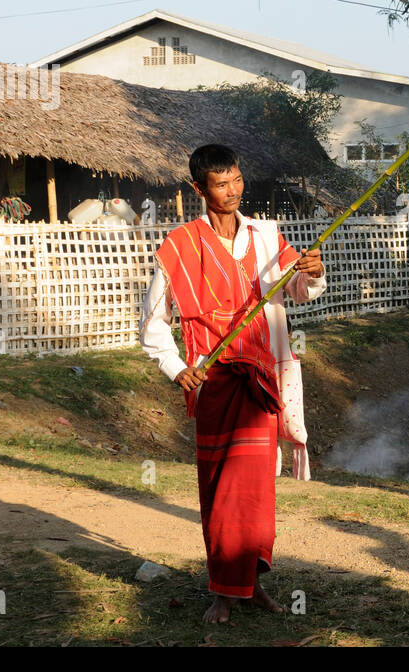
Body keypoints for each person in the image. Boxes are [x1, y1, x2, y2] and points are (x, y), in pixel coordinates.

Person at [139, 144, 326, 622]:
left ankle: (252, 585)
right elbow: (154, 324)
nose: (233, 191)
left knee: (257, 488)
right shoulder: (178, 247)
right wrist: (176, 367)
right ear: (199, 189)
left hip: (262, 379)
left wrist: (314, 271)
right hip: (215, 382)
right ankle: (223, 590)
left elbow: (298, 292)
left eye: (237, 180)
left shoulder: (266, 237)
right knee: (220, 487)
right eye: (221, 184)